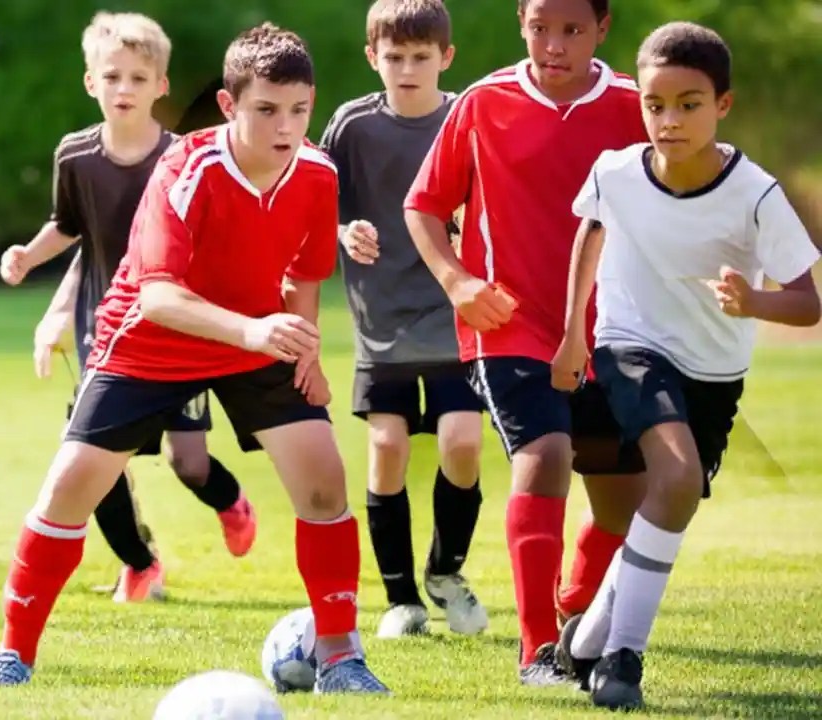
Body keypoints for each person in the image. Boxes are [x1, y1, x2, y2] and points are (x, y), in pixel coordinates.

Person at [0, 22, 389, 694]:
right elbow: (159, 297)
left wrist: (306, 349)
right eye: (267, 110)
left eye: (300, 110)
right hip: (149, 342)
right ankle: (12, 654)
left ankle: (341, 659)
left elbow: (305, 275)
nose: (286, 127)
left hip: (257, 337)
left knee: (323, 483)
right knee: (70, 489)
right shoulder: (185, 169)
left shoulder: (316, 173)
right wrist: (255, 334)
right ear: (229, 105)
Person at [552, 21, 821, 710]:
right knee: (670, 477)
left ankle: (582, 644)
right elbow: (593, 228)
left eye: (689, 104)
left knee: (667, 503)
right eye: (654, 104)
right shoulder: (615, 170)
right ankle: (622, 662)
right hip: (628, 346)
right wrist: (573, 337)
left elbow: (806, 303)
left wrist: (751, 299)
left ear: (722, 105)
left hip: (713, 376)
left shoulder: (755, 194)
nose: (668, 120)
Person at [403, 0, 651, 685]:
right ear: (521, 23)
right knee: (544, 454)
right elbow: (423, 204)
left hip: (613, 328)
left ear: (603, 29)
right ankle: (538, 646)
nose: (553, 44)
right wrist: (457, 282)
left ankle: (575, 606)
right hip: (506, 322)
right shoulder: (484, 103)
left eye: (572, 29)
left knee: (623, 503)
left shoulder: (638, 104)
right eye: (540, 26)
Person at [0, 12, 256, 604]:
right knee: (93, 462)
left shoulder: (186, 158)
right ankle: (140, 564)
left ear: (160, 86)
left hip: (177, 331)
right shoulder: (76, 157)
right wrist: (27, 257)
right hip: (105, 335)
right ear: (91, 82)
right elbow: (69, 228)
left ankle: (230, 500)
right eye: (112, 76)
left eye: (139, 78)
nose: (124, 89)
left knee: (189, 462)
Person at [320, 0, 488, 640]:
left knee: (463, 444)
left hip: (457, 316)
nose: (407, 68)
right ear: (374, 58)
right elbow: (316, 200)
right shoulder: (352, 125)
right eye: (395, 57)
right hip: (380, 323)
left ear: (447, 58)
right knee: (387, 448)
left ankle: (446, 572)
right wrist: (343, 230)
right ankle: (401, 600)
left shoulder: (468, 119)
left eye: (422, 57)